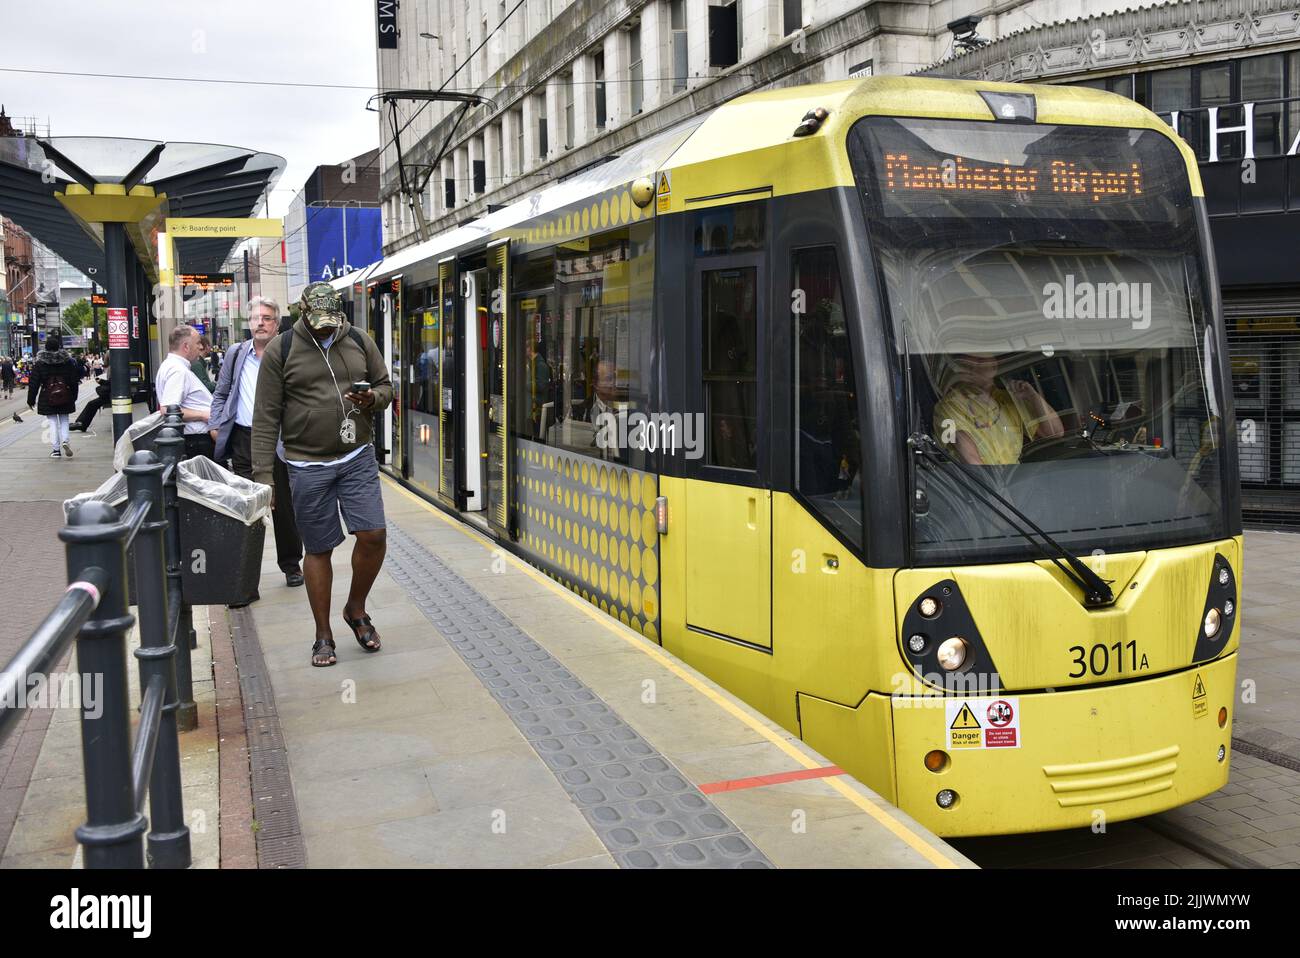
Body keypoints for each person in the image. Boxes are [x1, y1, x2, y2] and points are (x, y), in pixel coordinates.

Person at [252, 282, 393, 668]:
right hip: (305, 463)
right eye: (318, 323)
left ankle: (356, 608)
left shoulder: (360, 341)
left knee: (373, 534)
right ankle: (323, 635)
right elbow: (264, 416)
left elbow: (386, 387)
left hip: (356, 456)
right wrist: (264, 477)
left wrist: (372, 399)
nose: (325, 329)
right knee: (318, 549)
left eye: (331, 323)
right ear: (301, 312)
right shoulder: (282, 349)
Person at [209, 297, 305, 591]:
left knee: (284, 507)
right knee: (246, 507)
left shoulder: (289, 353)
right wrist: (215, 424)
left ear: (277, 324)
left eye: (266, 318)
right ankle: (245, 571)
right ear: (248, 323)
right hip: (243, 438)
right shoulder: (237, 354)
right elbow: (221, 392)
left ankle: (290, 565)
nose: (260, 323)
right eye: (255, 318)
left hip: (279, 441)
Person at [932, 353, 1064, 465]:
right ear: (966, 367)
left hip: (1012, 482)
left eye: (986, 358)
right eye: (977, 360)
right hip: (977, 487)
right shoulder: (952, 405)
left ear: (995, 364)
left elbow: (1055, 433)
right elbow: (971, 459)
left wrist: (1033, 396)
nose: (982, 364)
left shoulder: (1010, 399)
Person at [155, 325, 214, 459]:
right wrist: (204, 415)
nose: (200, 347)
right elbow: (168, 409)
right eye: (198, 343)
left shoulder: (174, 367)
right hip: (196, 442)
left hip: (194, 440)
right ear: (186, 346)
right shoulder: (178, 371)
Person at [26, 333, 80, 458]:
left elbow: (34, 383)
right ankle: (65, 441)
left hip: (47, 396)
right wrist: (74, 396)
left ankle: (56, 450)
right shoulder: (67, 362)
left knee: (53, 422)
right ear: (58, 347)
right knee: (64, 419)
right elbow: (74, 380)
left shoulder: (40, 363)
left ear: (46, 348)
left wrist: (31, 400)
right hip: (65, 395)